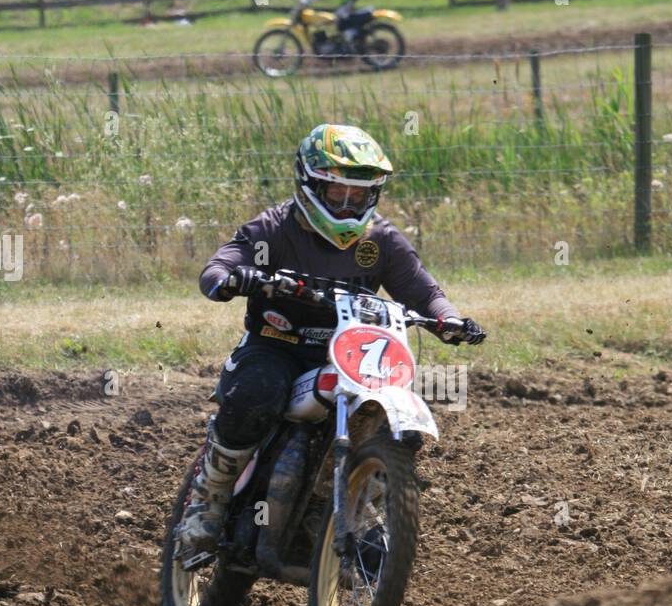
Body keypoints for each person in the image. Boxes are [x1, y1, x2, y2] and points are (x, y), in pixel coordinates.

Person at [177, 123, 485, 556]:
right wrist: (231, 278)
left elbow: (424, 292)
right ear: (309, 184)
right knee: (257, 394)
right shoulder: (274, 229)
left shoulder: (380, 241)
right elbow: (220, 267)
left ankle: (360, 509)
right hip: (277, 347)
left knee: (397, 427)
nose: (347, 204)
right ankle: (209, 499)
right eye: (337, 193)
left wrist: (449, 319)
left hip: (351, 355)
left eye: (358, 195)